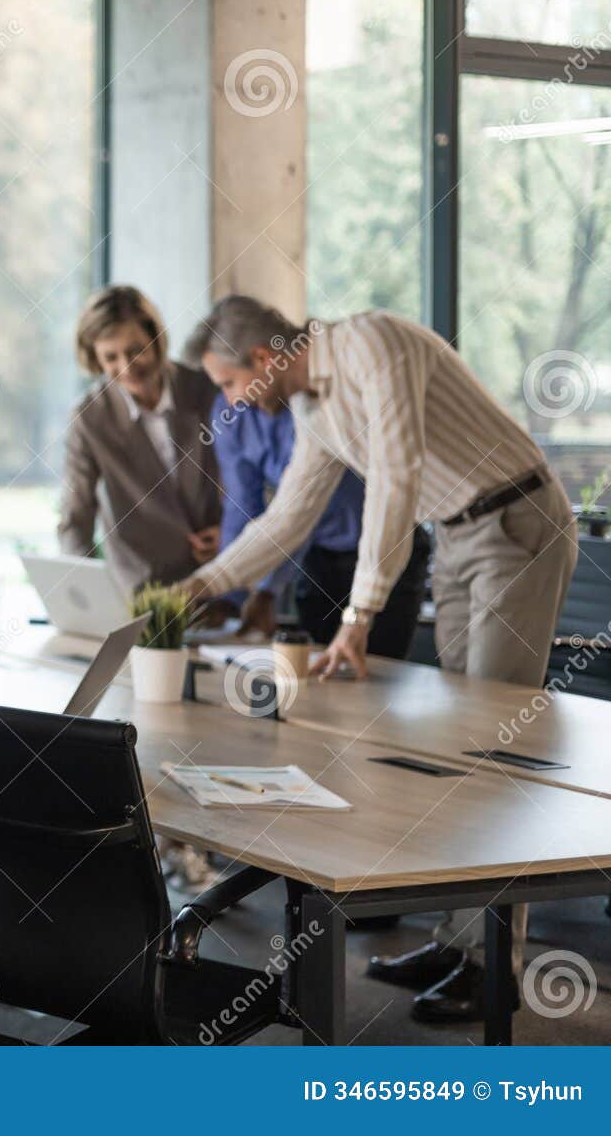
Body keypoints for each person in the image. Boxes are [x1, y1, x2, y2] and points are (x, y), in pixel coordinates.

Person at [177, 295, 578, 1024]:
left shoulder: (370, 342)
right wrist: (198, 586)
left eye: (229, 385)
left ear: (262, 362)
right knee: (458, 753)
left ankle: (494, 967)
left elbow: (396, 472)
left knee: (494, 752)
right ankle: (454, 943)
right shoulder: (314, 410)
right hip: (457, 537)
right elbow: (287, 518)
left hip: (515, 522)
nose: (231, 402)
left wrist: (359, 615)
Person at [197, 387, 430, 656]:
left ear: (263, 359)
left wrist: (267, 591)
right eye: (222, 385)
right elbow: (242, 508)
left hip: (388, 550)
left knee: (379, 670)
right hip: (319, 559)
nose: (230, 396)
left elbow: (301, 513)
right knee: (317, 669)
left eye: (231, 380)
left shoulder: (316, 402)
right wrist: (230, 596)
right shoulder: (231, 412)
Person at [58, 285, 223, 595]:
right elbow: (75, 517)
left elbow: (246, 475)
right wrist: (84, 593)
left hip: (219, 583)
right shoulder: (90, 418)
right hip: (140, 592)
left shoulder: (206, 390)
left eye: (136, 350)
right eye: (111, 357)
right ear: (95, 359)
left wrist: (230, 533)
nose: (127, 367)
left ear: (156, 340)